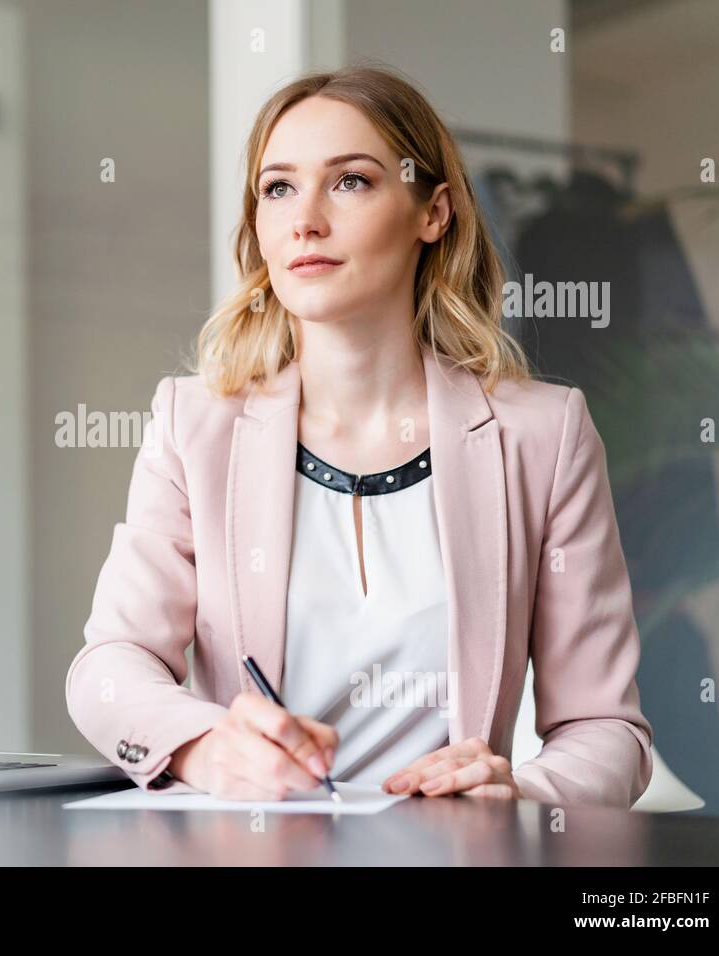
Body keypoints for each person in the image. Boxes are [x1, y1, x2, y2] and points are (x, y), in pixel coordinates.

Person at [65, 66, 653, 807]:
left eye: (350, 181)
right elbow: (110, 667)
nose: (304, 219)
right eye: (278, 188)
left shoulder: (543, 433)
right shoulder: (194, 424)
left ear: (432, 213)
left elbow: (606, 728)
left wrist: (525, 795)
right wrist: (204, 748)